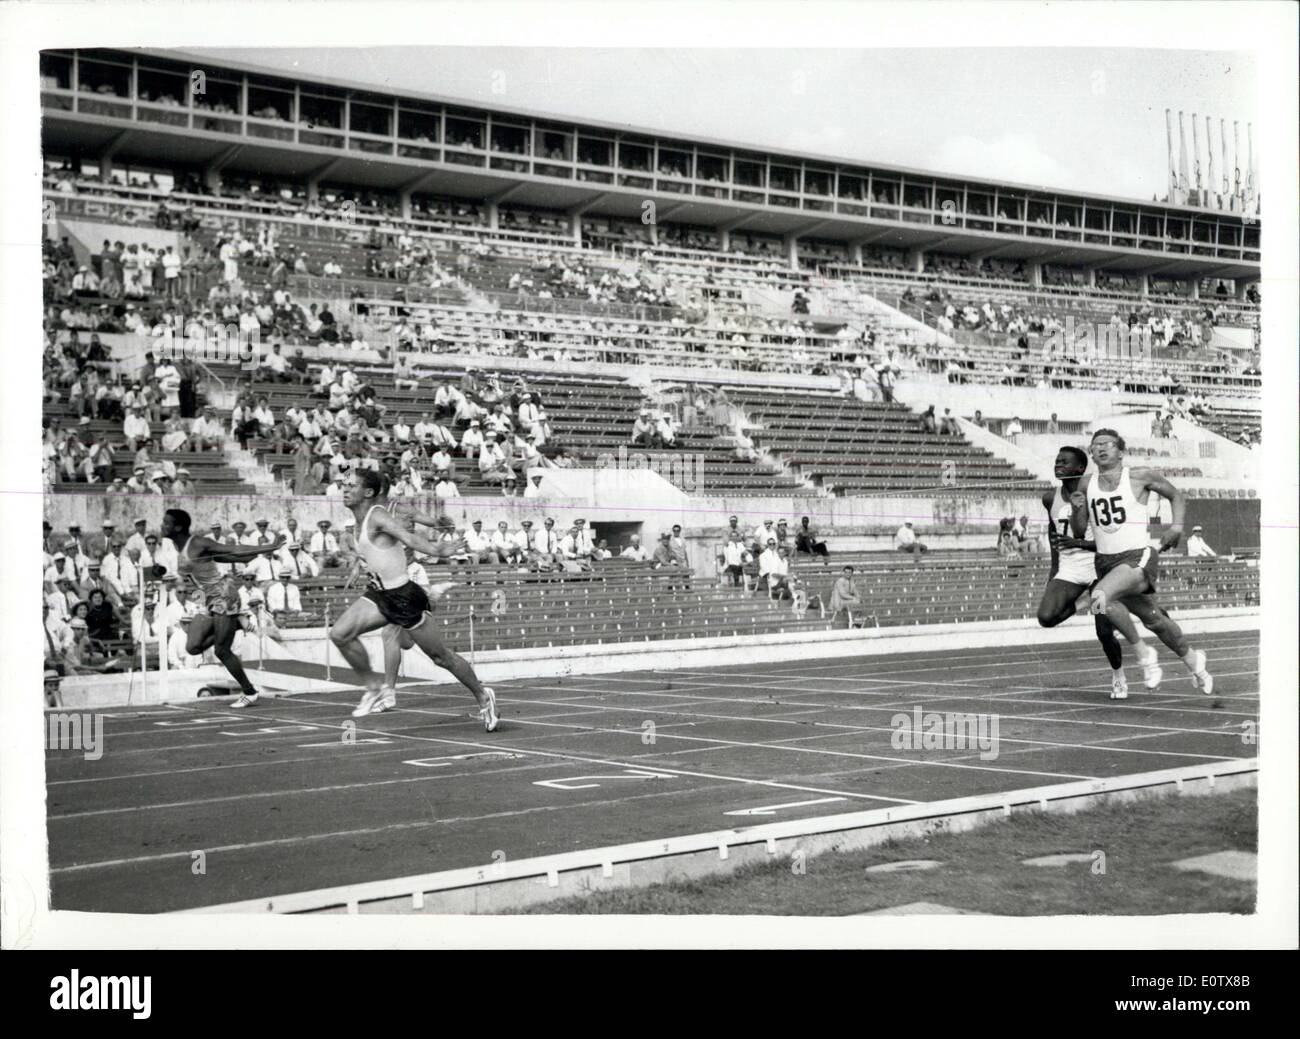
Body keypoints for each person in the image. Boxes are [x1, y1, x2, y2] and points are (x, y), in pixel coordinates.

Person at [329, 469, 498, 728]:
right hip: (378, 595)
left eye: (351, 485)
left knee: (441, 658)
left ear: (368, 492)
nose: (344, 489)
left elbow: (408, 537)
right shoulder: (359, 520)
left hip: (404, 597)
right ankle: (375, 687)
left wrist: (437, 549)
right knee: (339, 633)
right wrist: (357, 565)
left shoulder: (378, 515)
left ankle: (483, 697)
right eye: (343, 485)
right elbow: (377, 553)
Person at [1069, 429, 1215, 694]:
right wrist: (1077, 509)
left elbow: (1176, 495)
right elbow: (1079, 531)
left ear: (1121, 451)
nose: (1100, 448)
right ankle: (1196, 663)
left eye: (1107, 444)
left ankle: (1144, 654)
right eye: (1095, 445)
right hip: (1106, 561)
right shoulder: (1085, 484)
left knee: (1100, 597)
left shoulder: (1138, 476)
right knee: (1154, 620)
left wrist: (1177, 526)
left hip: (1137, 557)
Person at [1037, 446, 1163, 700]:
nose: (1058, 465)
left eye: (1064, 462)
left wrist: (1081, 544)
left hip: (1098, 566)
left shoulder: (1096, 492)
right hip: (1070, 568)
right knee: (1046, 617)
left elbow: (1112, 539)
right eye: (1056, 461)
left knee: (1104, 633)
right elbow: (1055, 536)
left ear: (1080, 468)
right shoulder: (1050, 498)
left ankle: (1118, 675)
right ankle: (1084, 600)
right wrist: (1053, 570)